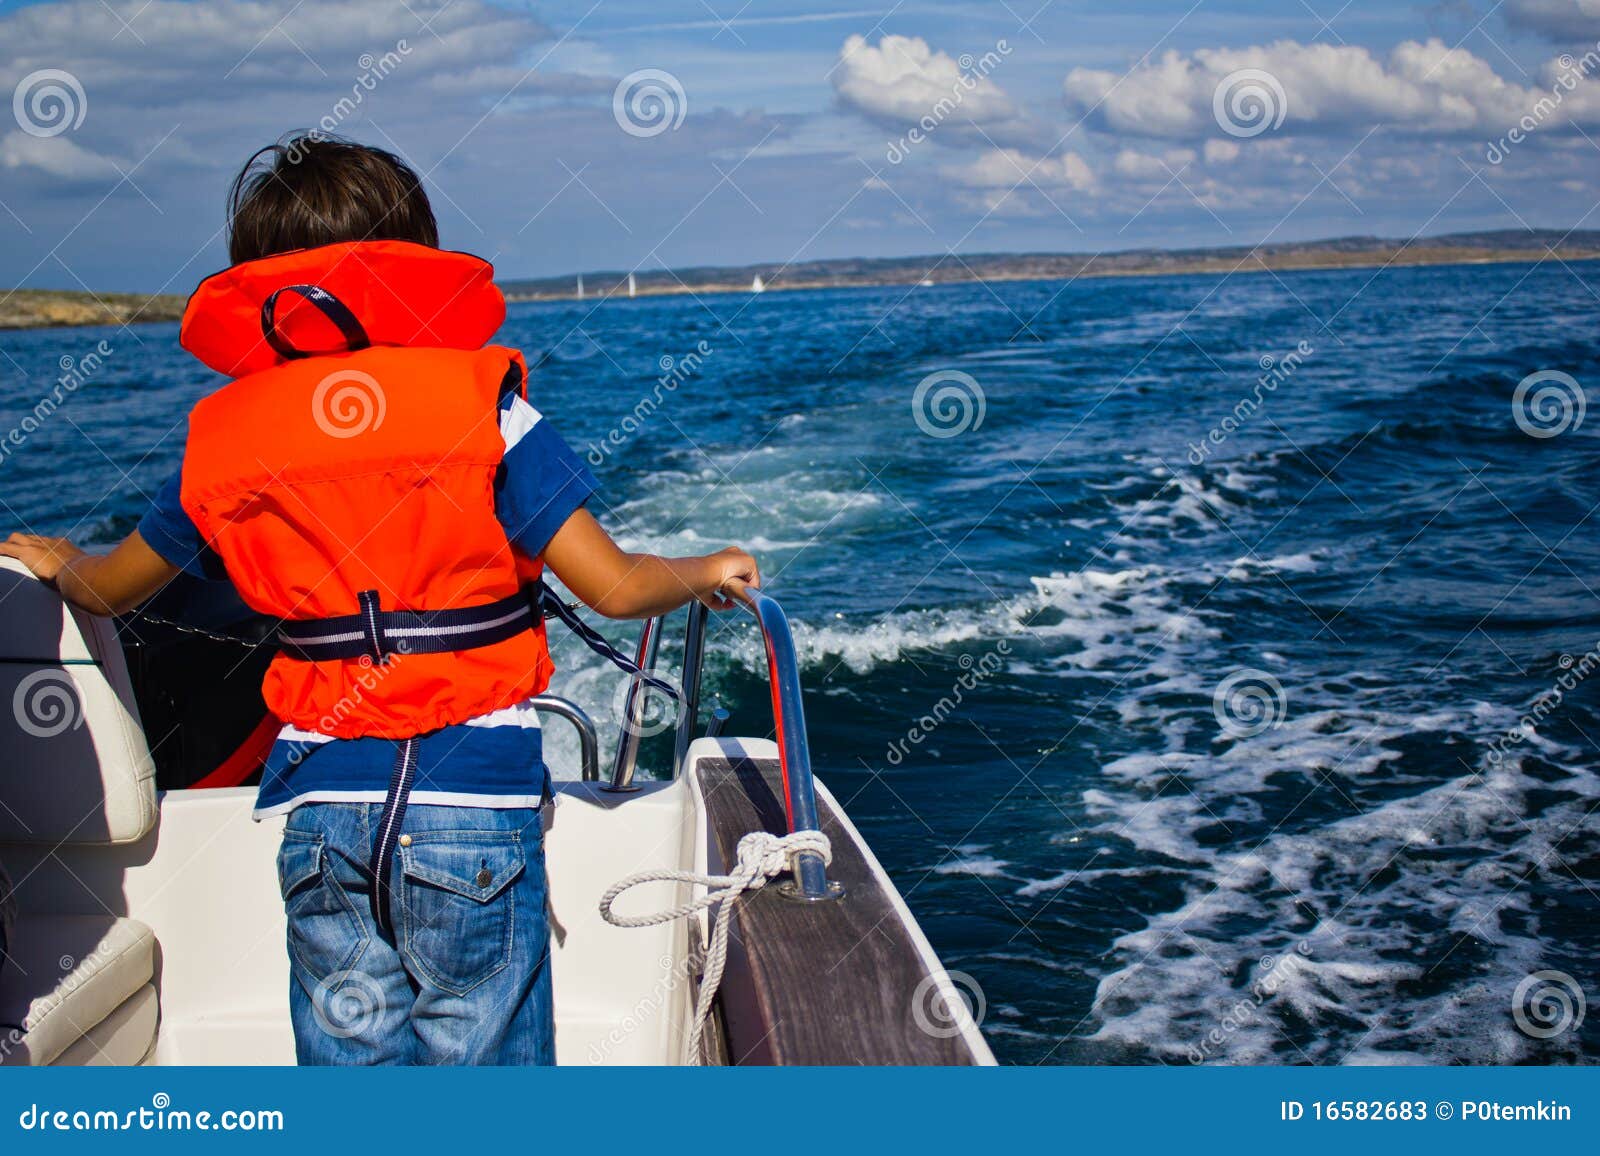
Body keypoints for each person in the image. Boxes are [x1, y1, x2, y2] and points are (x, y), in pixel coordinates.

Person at [0, 135, 759, 1066]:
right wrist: (706, 566)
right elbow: (614, 586)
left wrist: (63, 561)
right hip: (471, 807)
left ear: (261, 290)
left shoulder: (227, 439)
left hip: (322, 817)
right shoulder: (490, 411)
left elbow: (111, 591)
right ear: (416, 267)